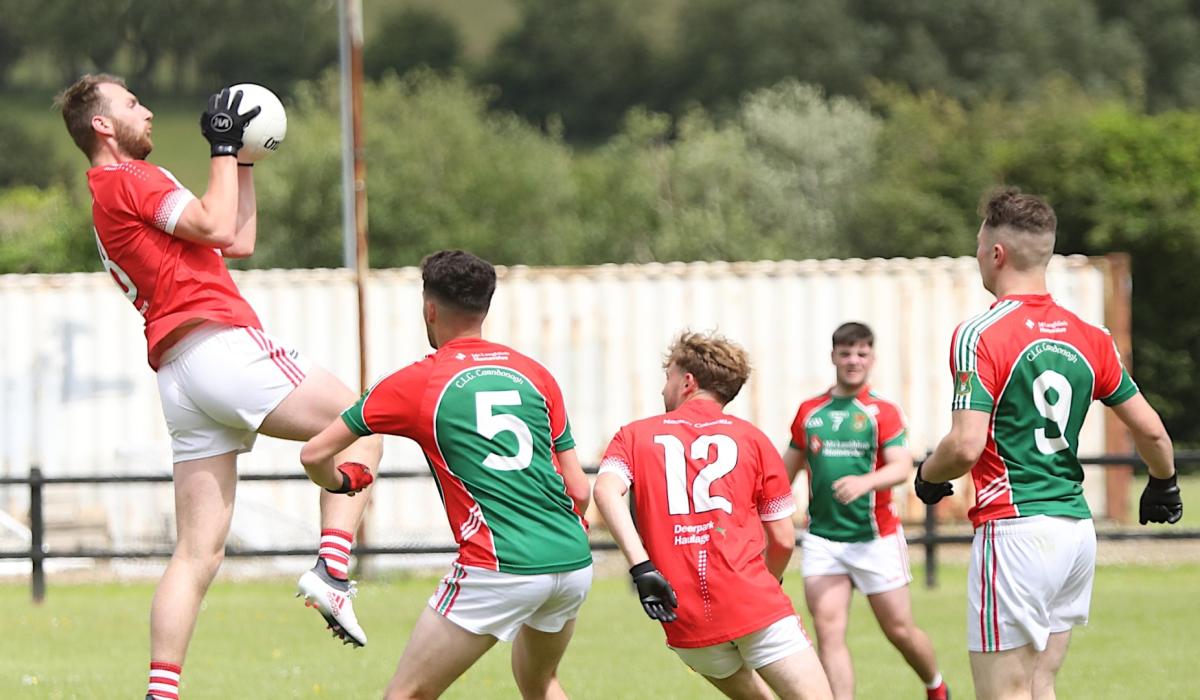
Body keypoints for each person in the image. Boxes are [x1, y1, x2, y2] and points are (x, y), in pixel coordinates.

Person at [56, 74, 381, 700]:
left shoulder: (110, 190)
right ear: (102, 126)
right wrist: (222, 151)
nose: (147, 111)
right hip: (218, 344)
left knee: (197, 555)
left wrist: (244, 157)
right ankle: (333, 568)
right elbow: (211, 221)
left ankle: (161, 692)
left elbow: (238, 237)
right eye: (130, 104)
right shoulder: (129, 178)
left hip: (181, 375)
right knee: (363, 421)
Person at [914, 188, 1184, 700]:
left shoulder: (980, 333)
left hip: (1017, 532)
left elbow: (965, 445)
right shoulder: (1092, 336)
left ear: (997, 253)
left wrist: (928, 476)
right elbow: (1151, 432)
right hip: (1075, 534)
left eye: (978, 245)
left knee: (1004, 692)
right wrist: (1164, 483)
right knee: (1041, 684)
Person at [301, 249, 592, 699]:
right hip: (571, 561)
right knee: (541, 684)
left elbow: (314, 452)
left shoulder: (418, 381)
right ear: (485, 307)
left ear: (429, 308)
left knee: (406, 695)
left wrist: (338, 482)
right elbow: (578, 488)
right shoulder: (535, 375)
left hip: (498, 565)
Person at [593, 331, 833, 700]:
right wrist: (767, 581)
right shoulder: (753, 439)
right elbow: (783, 539)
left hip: (684, 617)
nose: (663, 389)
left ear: (687, 381)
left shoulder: (634, 435)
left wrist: (642, 569)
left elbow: (605, 490)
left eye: (667, 377)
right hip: (755, 605)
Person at [783, 322, 949, 700]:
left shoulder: (882, 411)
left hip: (876, 539)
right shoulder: (810, 412)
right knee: (828, 633)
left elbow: (902, 466)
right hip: (824, 539)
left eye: (860, 353)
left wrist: (865, 482)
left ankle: (935, 686)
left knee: (899, 630)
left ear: (872, 358)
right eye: (845, 353)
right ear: (833, 357)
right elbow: (783, 473)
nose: (853, 361)